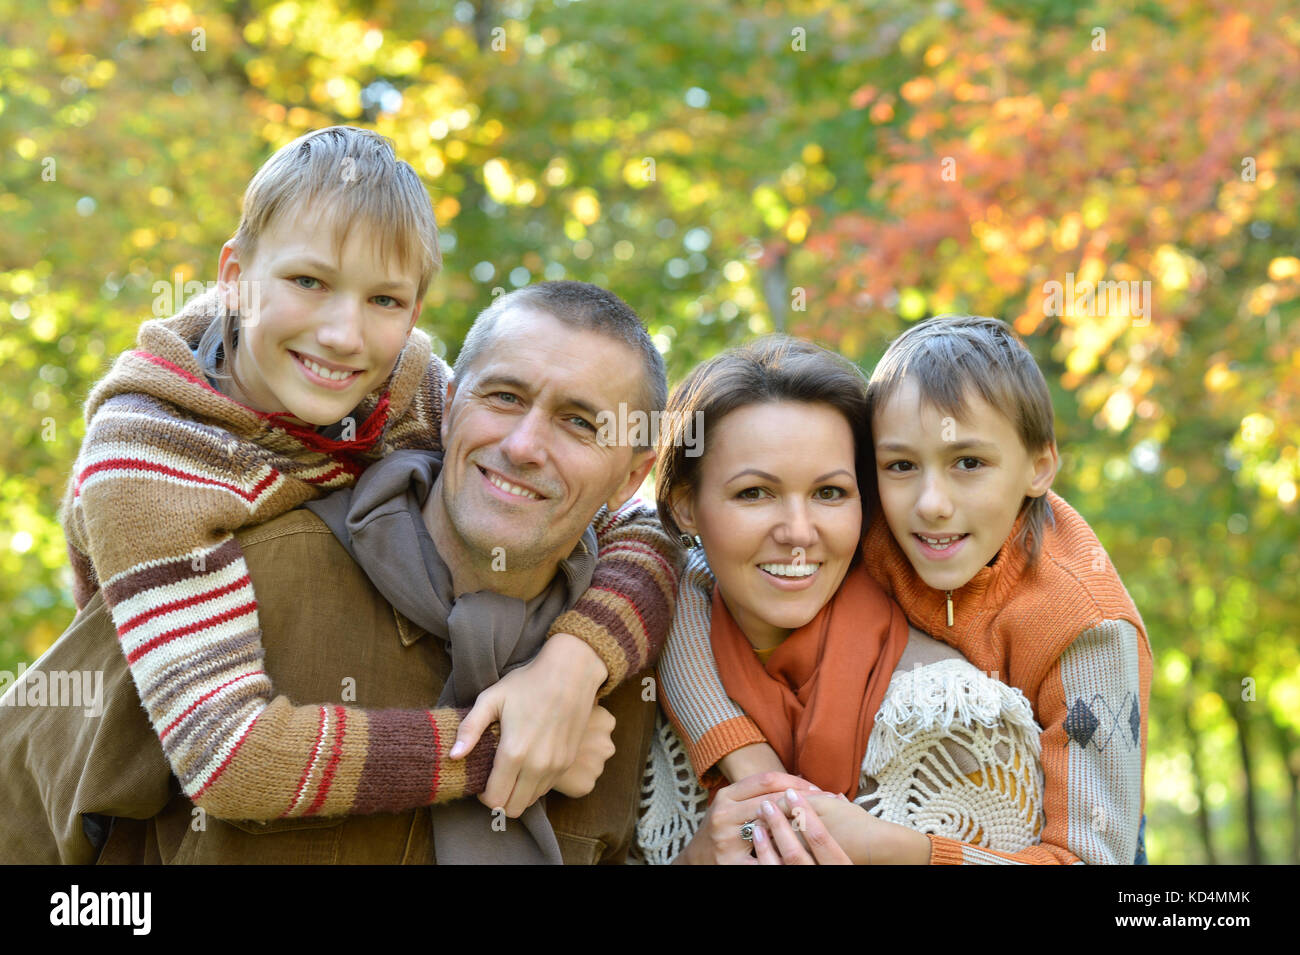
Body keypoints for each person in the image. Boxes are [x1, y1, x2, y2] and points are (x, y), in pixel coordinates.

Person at [56, 127, 679, 822]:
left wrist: (571, 666)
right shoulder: (146, 459)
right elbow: (232, 759)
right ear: (235, 278)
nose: (343, 335)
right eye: (308, 282)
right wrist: (504, 743)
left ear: (414, 314)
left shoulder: (408, 387)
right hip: (94, 790)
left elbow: (638, 527)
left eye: (383, 300)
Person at [0, 282, 677, 864]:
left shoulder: (628, 672)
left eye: (580, 423)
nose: (525, 445)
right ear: (445, 405)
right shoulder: (222, 580)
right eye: (503, 396)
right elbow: (18, 804)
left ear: (632, 474)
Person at [655, 317, 1152, 864]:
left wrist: (895, 850)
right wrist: (749, 762)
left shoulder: (1088, 627)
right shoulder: (865, 517)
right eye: (900, 464)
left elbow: (1095, 858)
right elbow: (682, 585)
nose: (931, 502)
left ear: (1039, 467)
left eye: (969, 462)